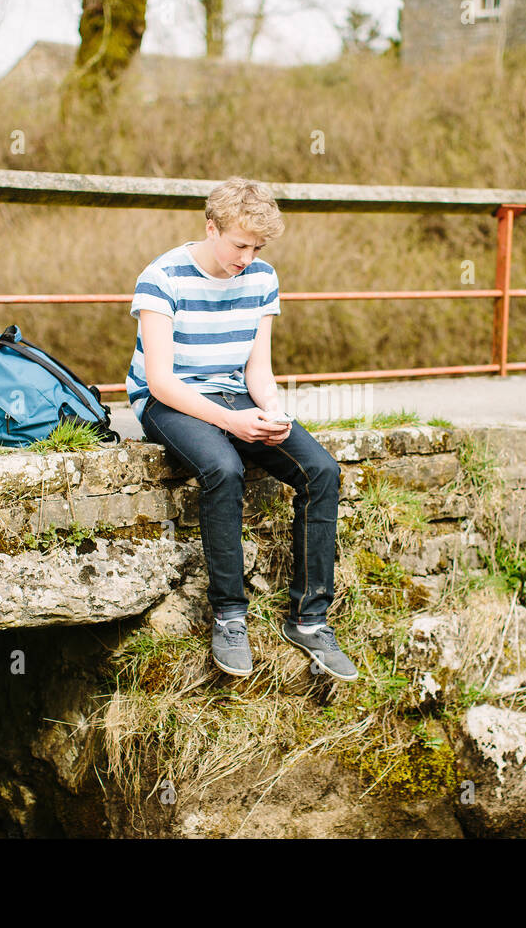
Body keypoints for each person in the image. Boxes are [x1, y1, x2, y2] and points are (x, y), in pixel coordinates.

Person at [125, 176, 357, 682]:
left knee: (322, 471)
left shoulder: (262, 278)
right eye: (239, 244)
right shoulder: (161, 277)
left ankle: (310, 619)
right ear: (212, 227)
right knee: (224, 468)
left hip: (235, 394)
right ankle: (230, 615)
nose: (247, 257)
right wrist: (231, 422)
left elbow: (258, 369)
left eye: (257, 247)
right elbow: (161, 382)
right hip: (170, 401)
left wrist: (271, 412)